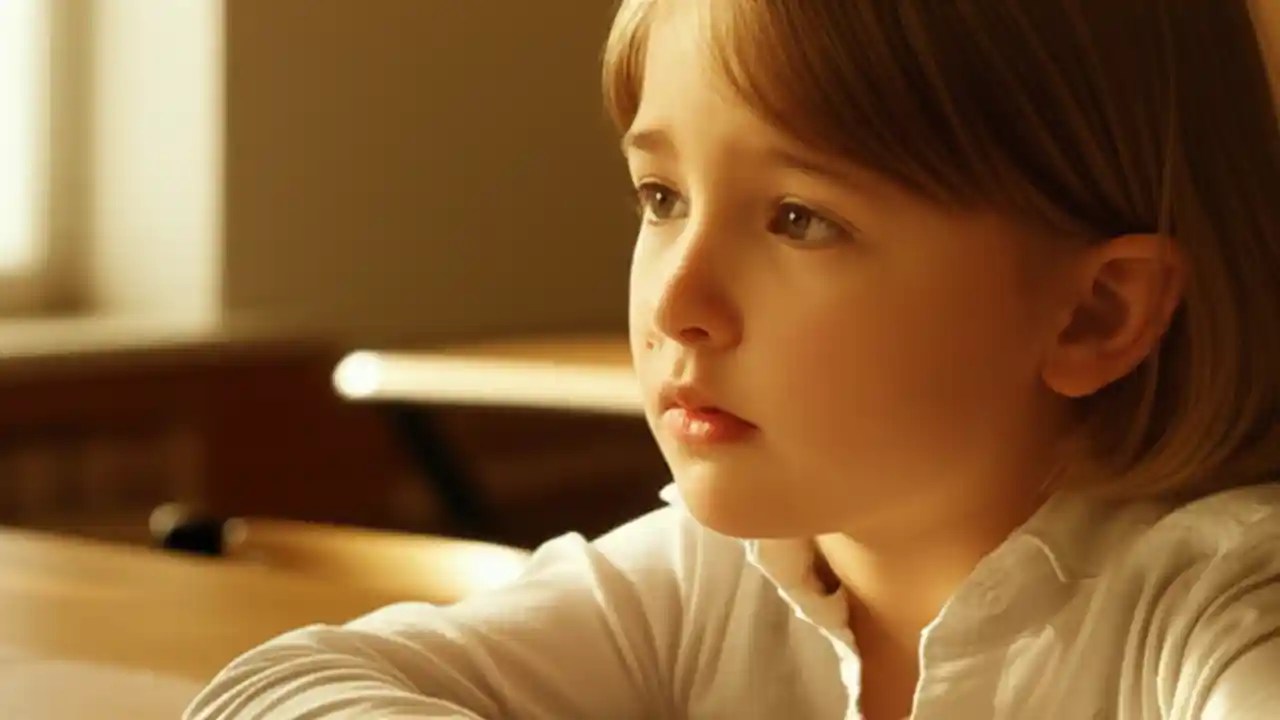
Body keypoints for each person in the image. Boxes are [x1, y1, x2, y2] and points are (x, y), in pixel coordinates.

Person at [185, 1, 1280, 718]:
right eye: (659, 199)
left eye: (799, 219)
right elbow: (278, 689)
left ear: (1091, 314)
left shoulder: (1217, 610)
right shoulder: (713, 576)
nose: (676, 301)